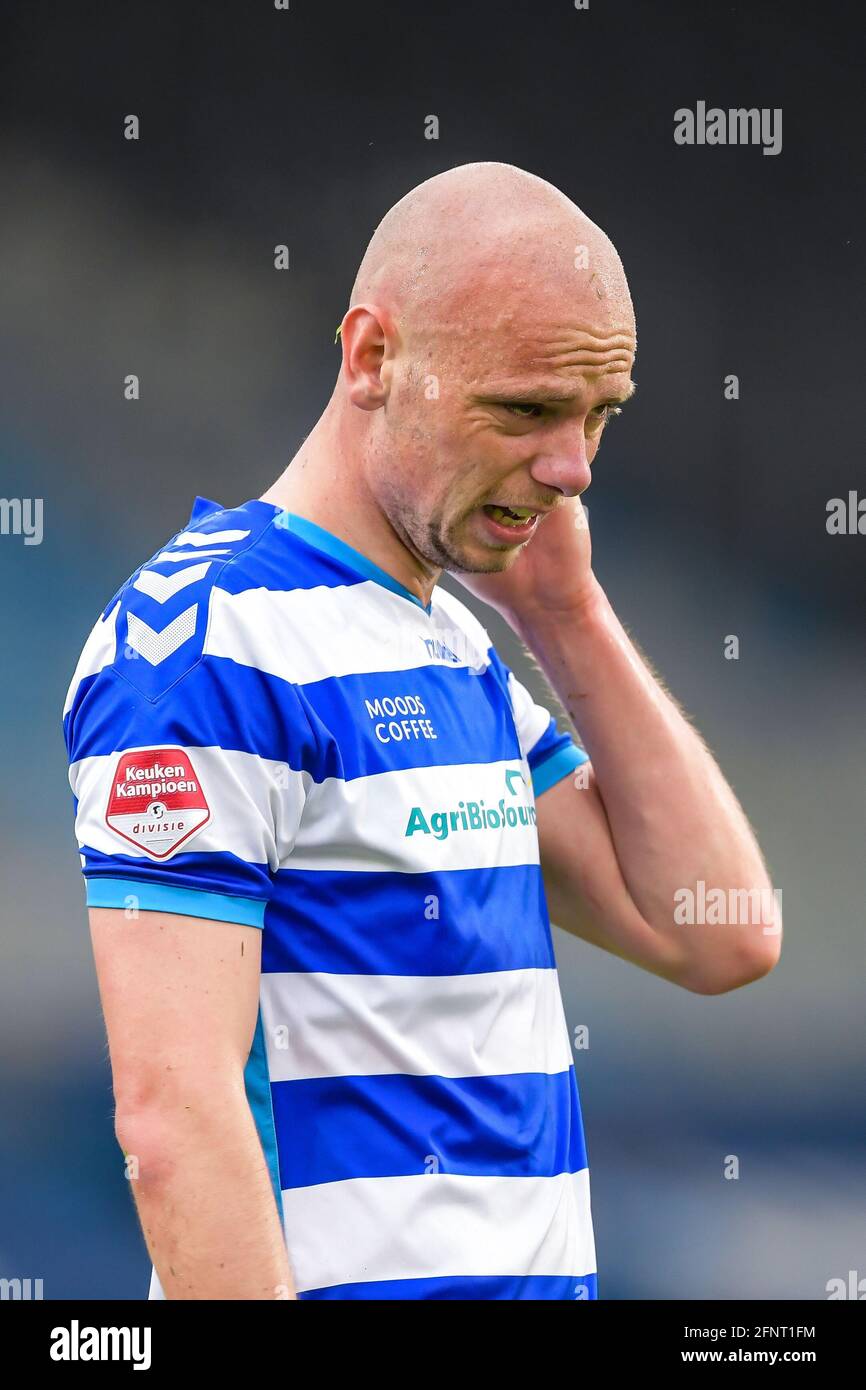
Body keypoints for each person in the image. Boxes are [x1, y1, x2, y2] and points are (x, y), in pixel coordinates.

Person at [63, 161, 782, 1300]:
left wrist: (566, 613)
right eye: (529, 408)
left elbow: (718, 932)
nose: (572, 466)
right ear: (370, 359)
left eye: (598, 416)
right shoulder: (201, 641)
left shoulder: (450, 645)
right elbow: (173, 1117)